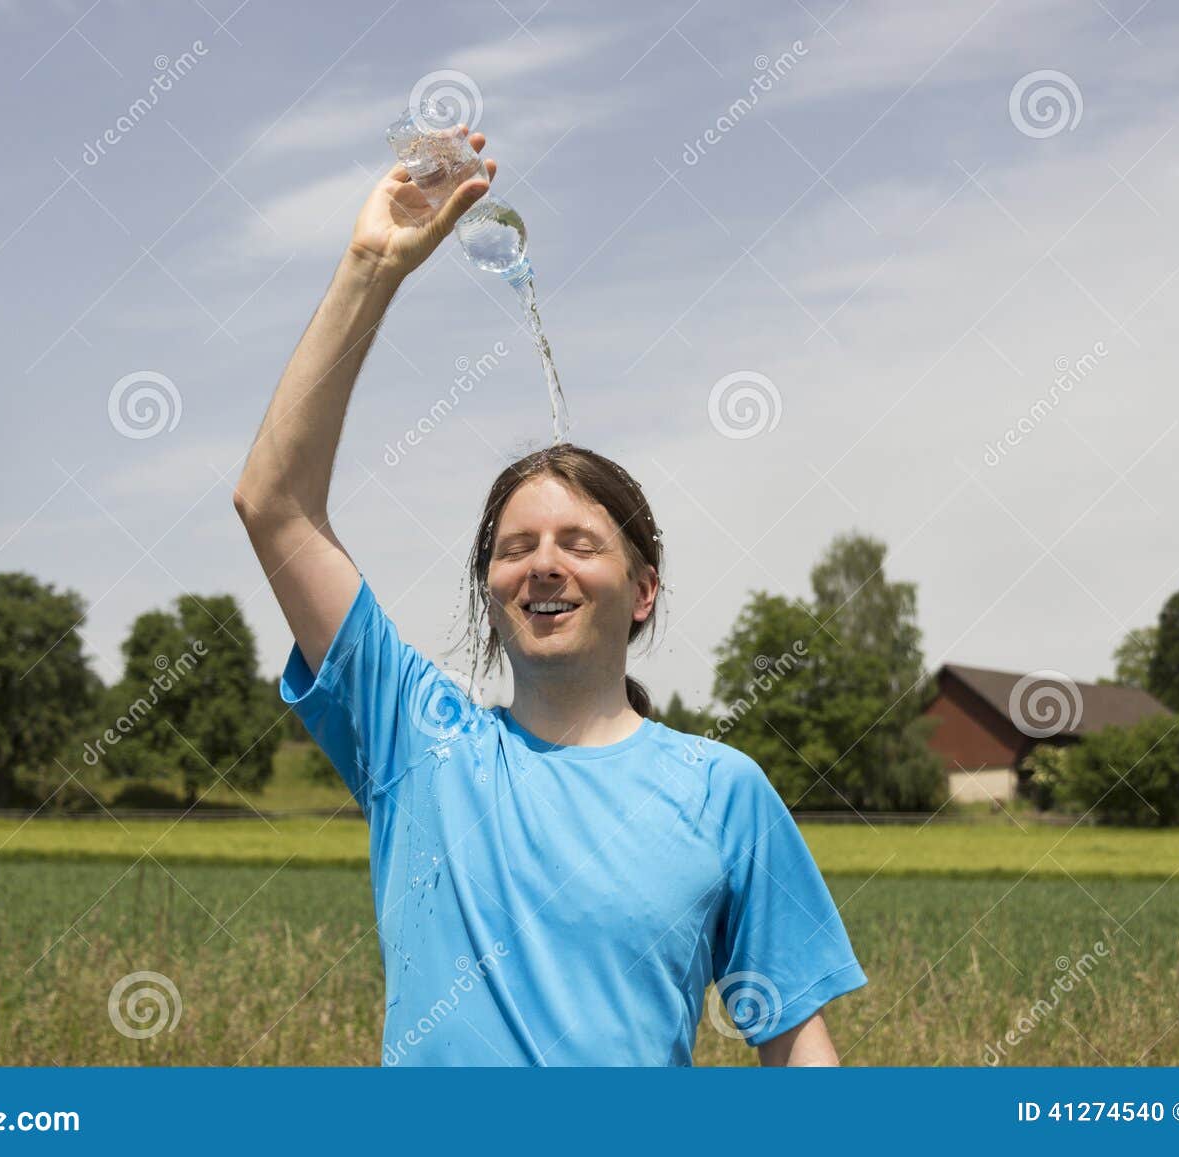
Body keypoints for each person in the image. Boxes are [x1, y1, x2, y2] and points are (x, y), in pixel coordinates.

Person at [233, 128, 866, 1066]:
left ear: (643, 590)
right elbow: (275, 505)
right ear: (490, 589)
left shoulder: (721, 790)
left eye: (579, 543)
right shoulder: (419, 741)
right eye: (515, 547)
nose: (542, 565)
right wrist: (371, 267)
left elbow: (796, 1046)